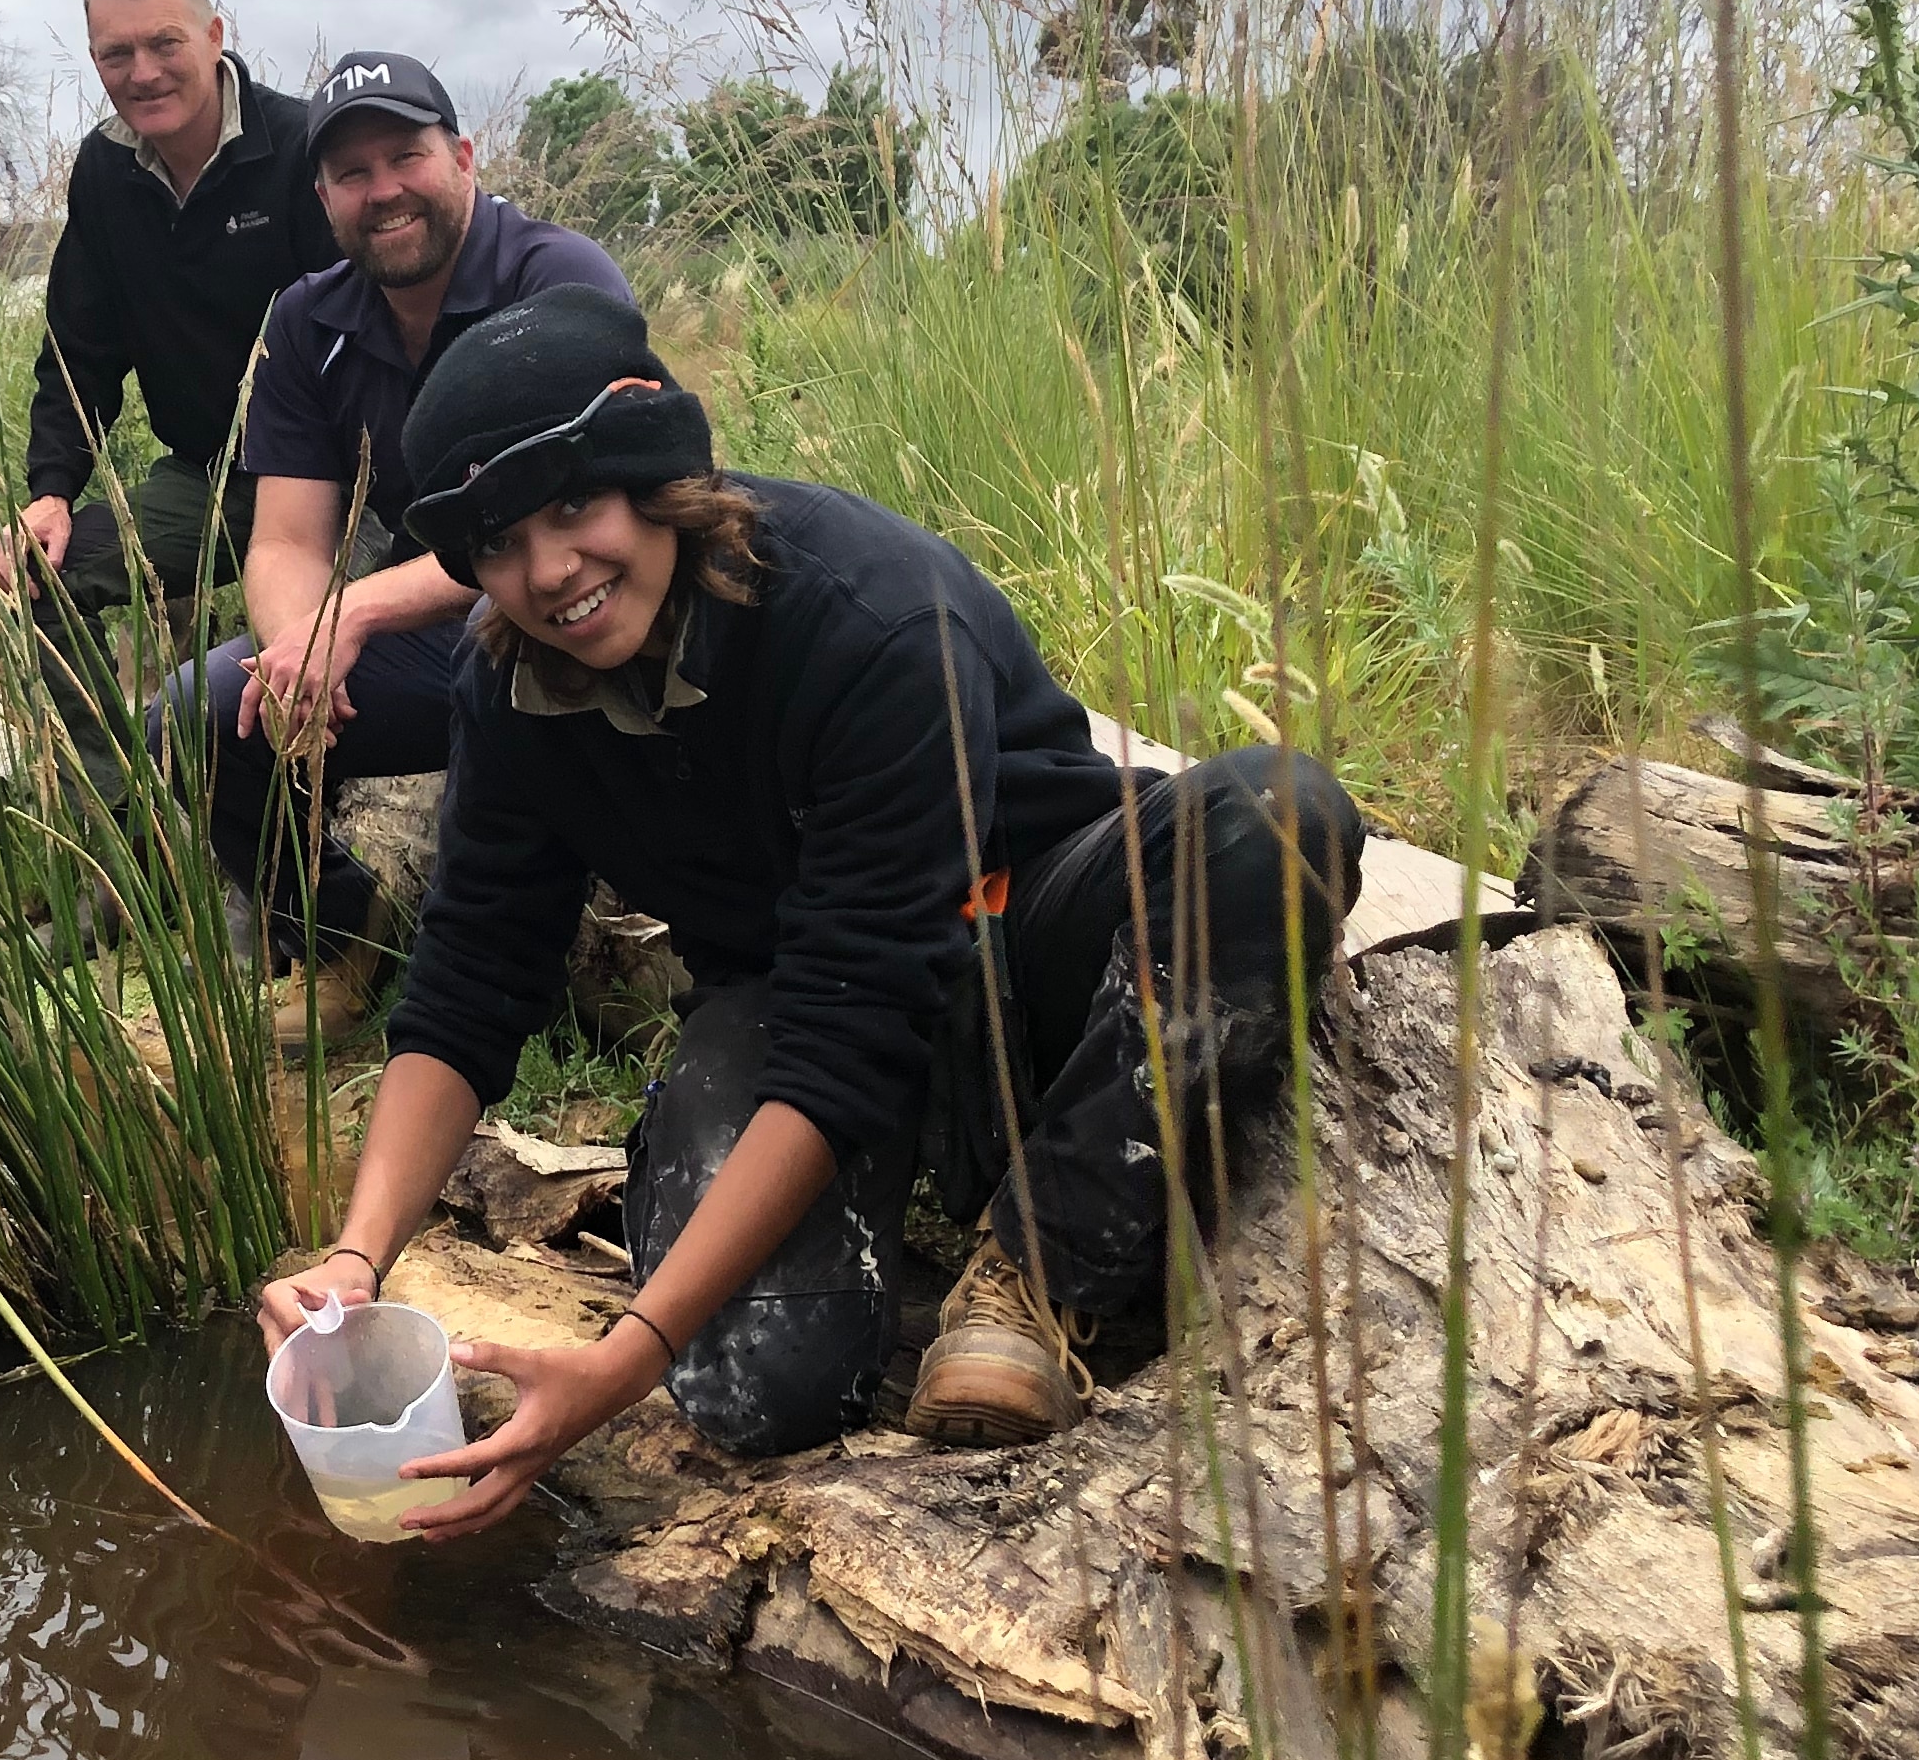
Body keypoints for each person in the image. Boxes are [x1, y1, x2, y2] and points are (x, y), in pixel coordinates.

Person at [255, 284, 1363, 1527]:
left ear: (656, 475)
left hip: (1026, 932)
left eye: (573, 506)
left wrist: (623, 1360)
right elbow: (468, 984)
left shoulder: (870, 614)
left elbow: (860, 1020)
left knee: (1276, 814)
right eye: (499, 544)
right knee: (755, 1386)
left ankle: (1038, 1267)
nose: (548, 572)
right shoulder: (507, 689)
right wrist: (356, 1259)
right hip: (797, 990)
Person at [165, 51, 632, 992]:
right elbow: (286, 538)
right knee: (203, 709)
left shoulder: (554, 278)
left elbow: (558, 538)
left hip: (574, 614)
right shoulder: (307, 321)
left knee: (505, 648)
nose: (383, 191)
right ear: (324, 199)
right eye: (352, 172)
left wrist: (359, 612)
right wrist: (301, 654)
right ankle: (345, 943)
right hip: (439, 626)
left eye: (405, 157)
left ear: (462, 157)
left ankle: (542, 943)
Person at [0, 0, 335, 758]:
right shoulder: (105, 172)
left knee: (306, 660)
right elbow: (79, 351)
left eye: (165, 43)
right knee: (33, 576)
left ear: (214, 36)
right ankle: (126, 810)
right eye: (117, 53)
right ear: (95, 60)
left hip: (334, 477)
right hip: (210, 477)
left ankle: (315, 816)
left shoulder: (302, 147)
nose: (142, 73)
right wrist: (50, 491)